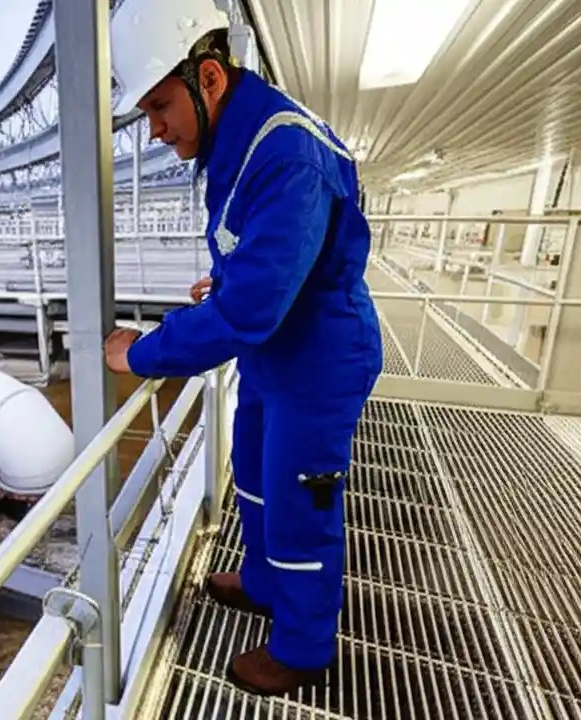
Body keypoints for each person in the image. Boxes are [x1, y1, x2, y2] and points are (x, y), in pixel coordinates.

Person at [101, 0, 383, 697]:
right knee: (254, 473)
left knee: (299, 504)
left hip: (316, 362)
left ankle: (303, 647)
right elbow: (262, 256)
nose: (155, 129)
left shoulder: (284, 154)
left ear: (210, 78)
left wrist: (145, 352)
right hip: (277, 354)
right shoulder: (240, 136)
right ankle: (262, 582)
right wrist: (227, 275)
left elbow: (253, 307)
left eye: (160, 106)